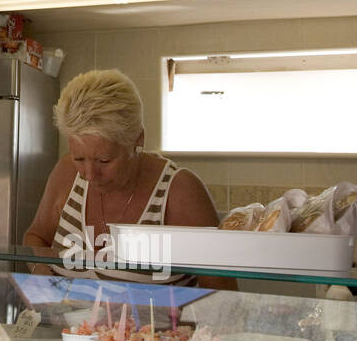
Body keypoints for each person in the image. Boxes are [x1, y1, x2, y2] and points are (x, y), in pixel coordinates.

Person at [23, 69, 232, 289]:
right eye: (79, 158)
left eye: (104, 161)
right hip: (63, 322)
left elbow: (222, 293)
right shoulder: (66, 172)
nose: (90, 175)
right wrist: (45, 280)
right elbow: (36, 237)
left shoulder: (179, 191)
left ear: (137, 139)